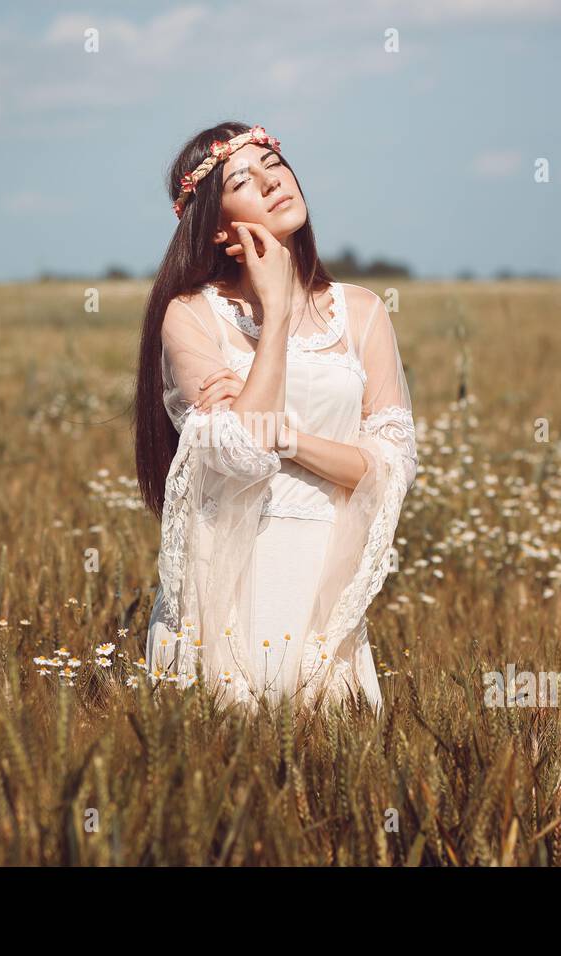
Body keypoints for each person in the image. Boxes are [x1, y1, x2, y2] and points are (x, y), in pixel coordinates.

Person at [133, 121, 417, 716]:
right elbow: (237, 451)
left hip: (320, 578)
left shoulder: (362, 312)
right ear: (214, 225)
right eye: (242, 178)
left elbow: (387, 469)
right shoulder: (191, 315)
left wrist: (286, 434)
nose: (271, 181)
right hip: (227, 576)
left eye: (274, 164)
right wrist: (280, 309)